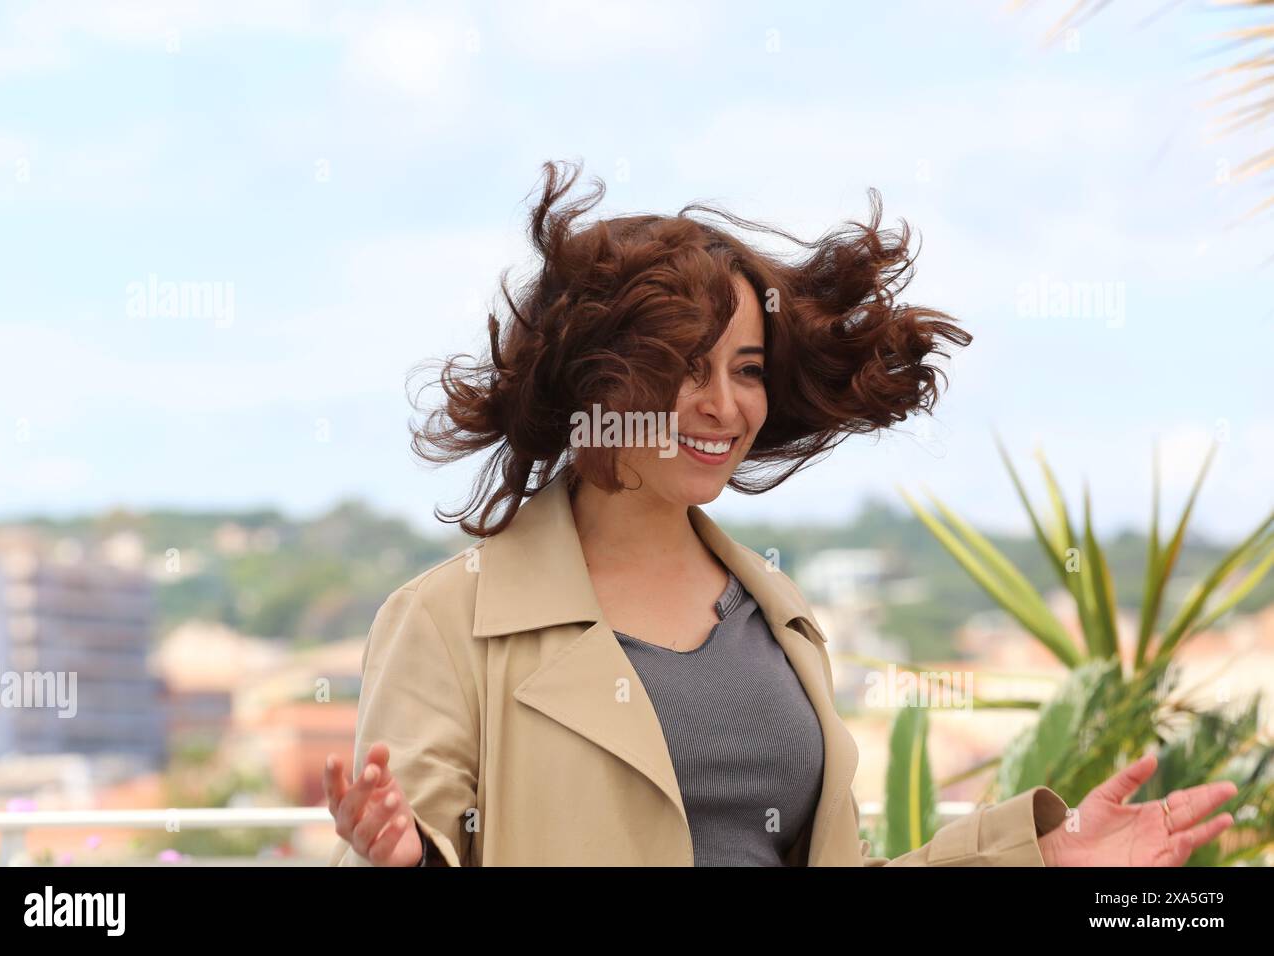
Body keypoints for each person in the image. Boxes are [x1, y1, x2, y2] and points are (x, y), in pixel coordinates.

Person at [326, 160, 1236, 866]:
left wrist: (1043, 856)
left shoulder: (782, 621)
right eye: (688, 367)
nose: (726, 405)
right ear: (600, 379)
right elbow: (417, 837)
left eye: (748, 369)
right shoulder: (448, 622)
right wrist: (402, 857)